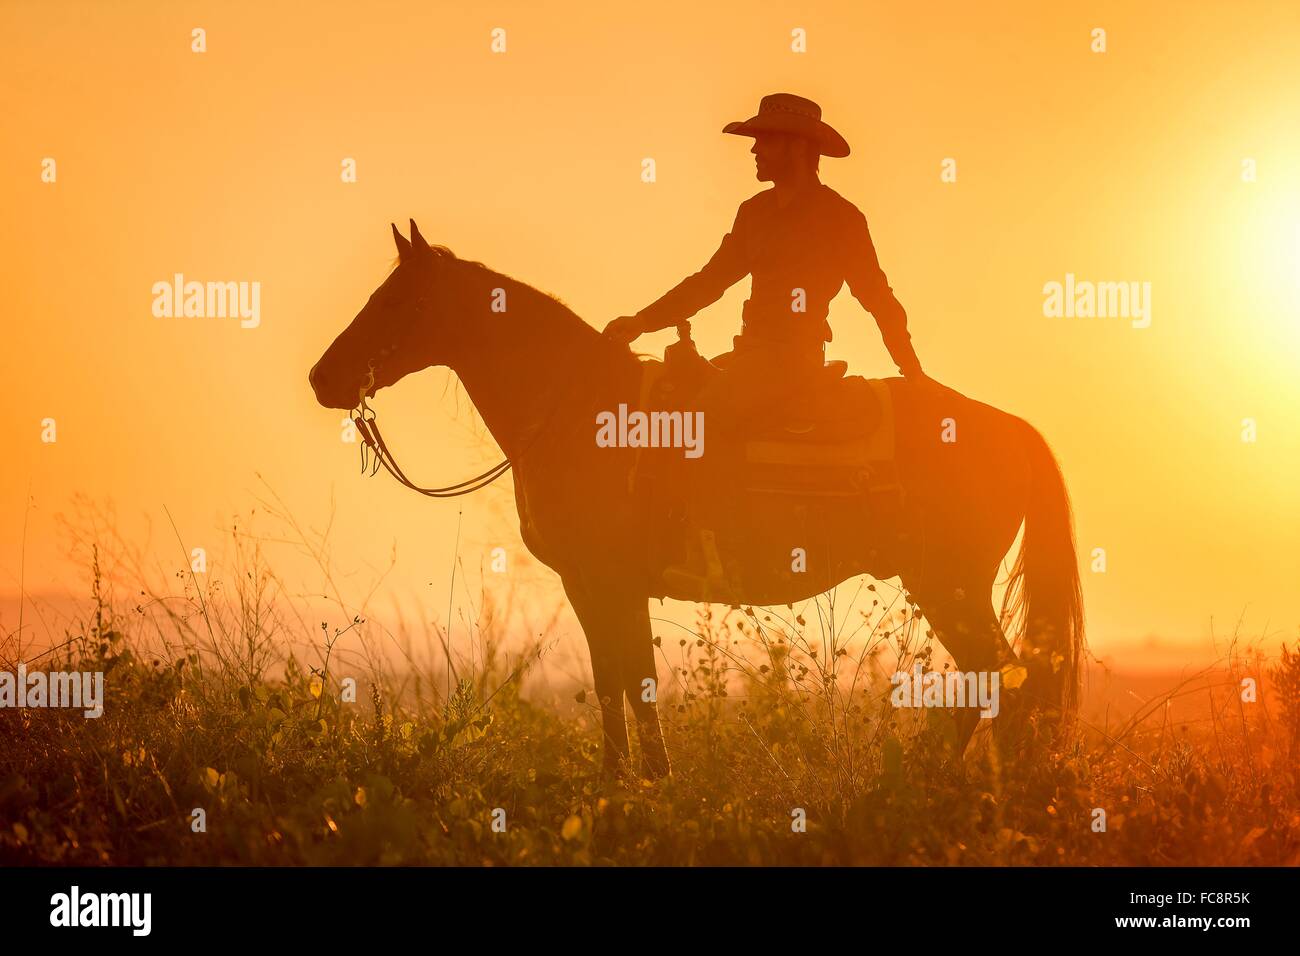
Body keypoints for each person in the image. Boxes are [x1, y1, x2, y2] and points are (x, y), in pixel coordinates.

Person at [605, 92, 933, 432]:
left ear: (797, 147)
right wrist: (643, 321)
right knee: (673, 392)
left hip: (792, 362)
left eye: (766, 140)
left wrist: (911, 371)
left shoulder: (841, 219)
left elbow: (877, 297)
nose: (754, 150)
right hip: (749, 355)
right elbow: (710, 281)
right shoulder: (754, 212)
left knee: (695, 425)